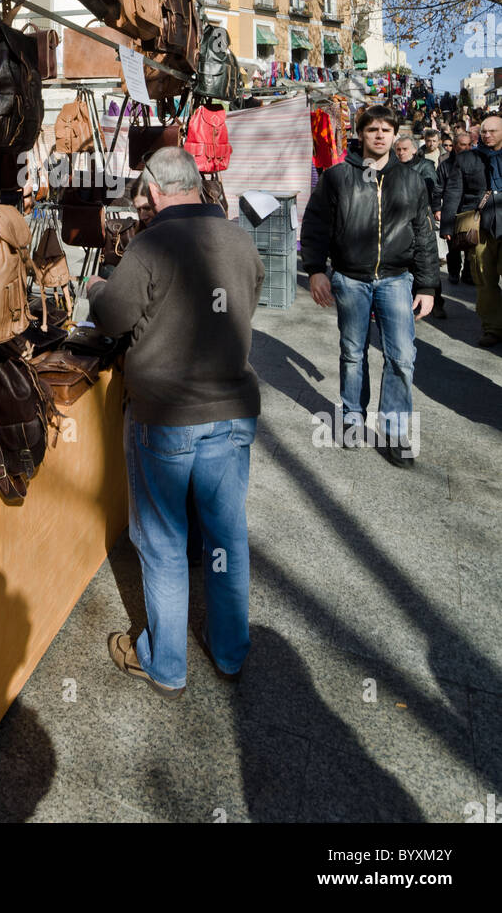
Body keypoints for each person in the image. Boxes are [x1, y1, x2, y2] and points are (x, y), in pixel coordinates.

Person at [87, 146, 264, 696]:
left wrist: (95, 290)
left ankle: (166, 664)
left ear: (158, 190)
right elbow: (247, 300)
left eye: (144, 197)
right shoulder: (238, 237)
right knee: (225, 534)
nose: (142, 206)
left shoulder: (152, 242)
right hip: (232, 412)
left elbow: (112, 318)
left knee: (164, 542)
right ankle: (230, 651)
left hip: (166, 417)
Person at [300, 104, 437, 468]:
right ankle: (351, 419)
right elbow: (315, 225)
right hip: (351, 278)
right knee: (352, 353)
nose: (379, 135)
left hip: (396, 279)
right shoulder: (337, 177)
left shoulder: (411, 179)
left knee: (402, 357)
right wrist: (315, 269)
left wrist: (427, 285)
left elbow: (423, 234)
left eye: (386, 130)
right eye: (372, 129)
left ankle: (393, 431)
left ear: (395, 135)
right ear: (360, 133)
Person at [440, 114, 502, 346]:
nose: (487, 135)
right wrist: (448, 224)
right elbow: (454, 190)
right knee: (484, 280)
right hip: (480, 227)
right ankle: (493, 328)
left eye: (493, 131)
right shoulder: (467, 159)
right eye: (484, 131)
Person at [394, 134, 446, 317]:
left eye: (405, 149)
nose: (401, 153)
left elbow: (430, 189)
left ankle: (436, 302)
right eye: (398, 149)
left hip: (421, 216)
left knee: (426, 261)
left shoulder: (425, 166)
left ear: (415, 149)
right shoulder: (393, 167)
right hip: (400, 219)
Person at [434, 131, 473, 284]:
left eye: (469, 145)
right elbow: (437, 189)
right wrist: (437, 208)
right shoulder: (445, 166)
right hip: (451, 211)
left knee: (471, 243)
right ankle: (454, 272)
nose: (466, 148)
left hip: (470, 210)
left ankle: (468, 273)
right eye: (463, 145)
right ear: (456, 147)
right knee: (453, 245)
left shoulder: (476, 163)